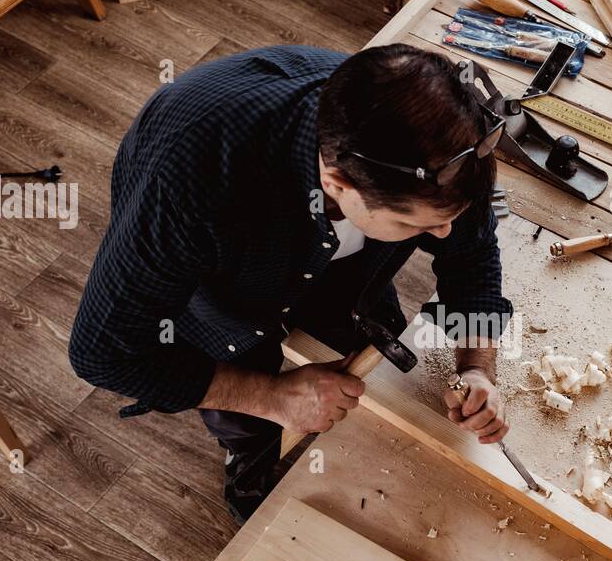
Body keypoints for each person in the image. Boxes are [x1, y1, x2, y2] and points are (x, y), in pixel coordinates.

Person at [70, 44, 513, 524]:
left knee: (357, 339)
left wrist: (477, 366)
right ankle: (248, 451)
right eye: (418, 227)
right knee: (244, 405)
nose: (444, 235)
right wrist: (272, 398)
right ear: (339, 181)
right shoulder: (189, 183)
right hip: (224, 282)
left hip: (334, 267)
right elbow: (103, 351)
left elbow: (471, 252)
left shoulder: (436, 149)